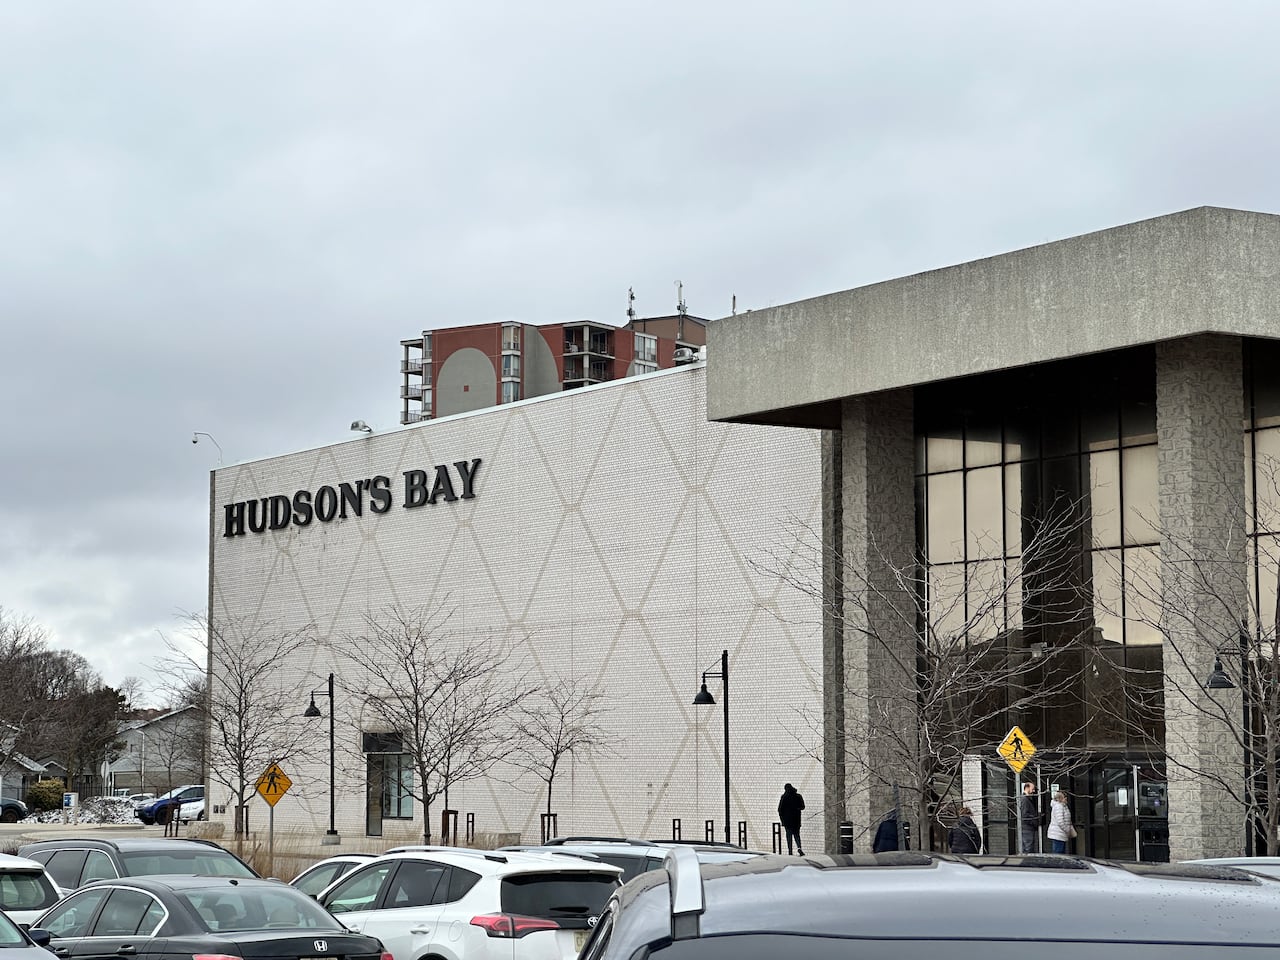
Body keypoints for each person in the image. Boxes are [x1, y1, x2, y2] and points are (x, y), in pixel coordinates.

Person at [777, 782, 805, 856]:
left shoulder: (784, 797)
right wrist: (796, 809)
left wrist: (782, 820)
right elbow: (803, 807)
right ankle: (799, 848)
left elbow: (780, 809)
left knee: (789, 836)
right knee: (797, 835)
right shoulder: (798, 796)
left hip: (787, 821)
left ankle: (790, 851)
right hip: (796, 820)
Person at [1019, 781, 1041, 853]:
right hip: (1027, 828)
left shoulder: (1026, 799)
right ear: (1027, 788)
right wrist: (1034, 821)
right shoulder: (1025, 800)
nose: (1034, 791)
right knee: (1028, 848)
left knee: (1028, 848)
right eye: (1033, 789)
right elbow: (1024, 815)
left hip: (1027, 828)